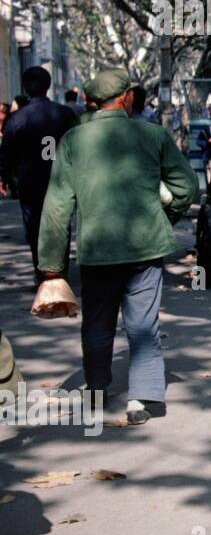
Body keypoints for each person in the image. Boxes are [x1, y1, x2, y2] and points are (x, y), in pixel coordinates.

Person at [37, 68, 199, 424]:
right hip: (145, 247)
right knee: (143, 322)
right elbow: (187, 187)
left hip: (98, 250)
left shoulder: (72, 141)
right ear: (125, 97)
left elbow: (57, 207)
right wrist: (165, 218)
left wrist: (52, 266)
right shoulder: (153, 135)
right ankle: (142, 399)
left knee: (97, 322)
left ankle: (96, 389)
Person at [0, 66, 81, 285]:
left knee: (34, 226)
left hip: (30, 180)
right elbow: (77, 146)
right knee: (60, 223)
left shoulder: (17, 119)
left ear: (25, 87)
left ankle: (42, 271)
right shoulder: (64, 114)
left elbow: (7, 151)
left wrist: (4, 177)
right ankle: (59, 269)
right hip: (61, 178)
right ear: (49, 86)